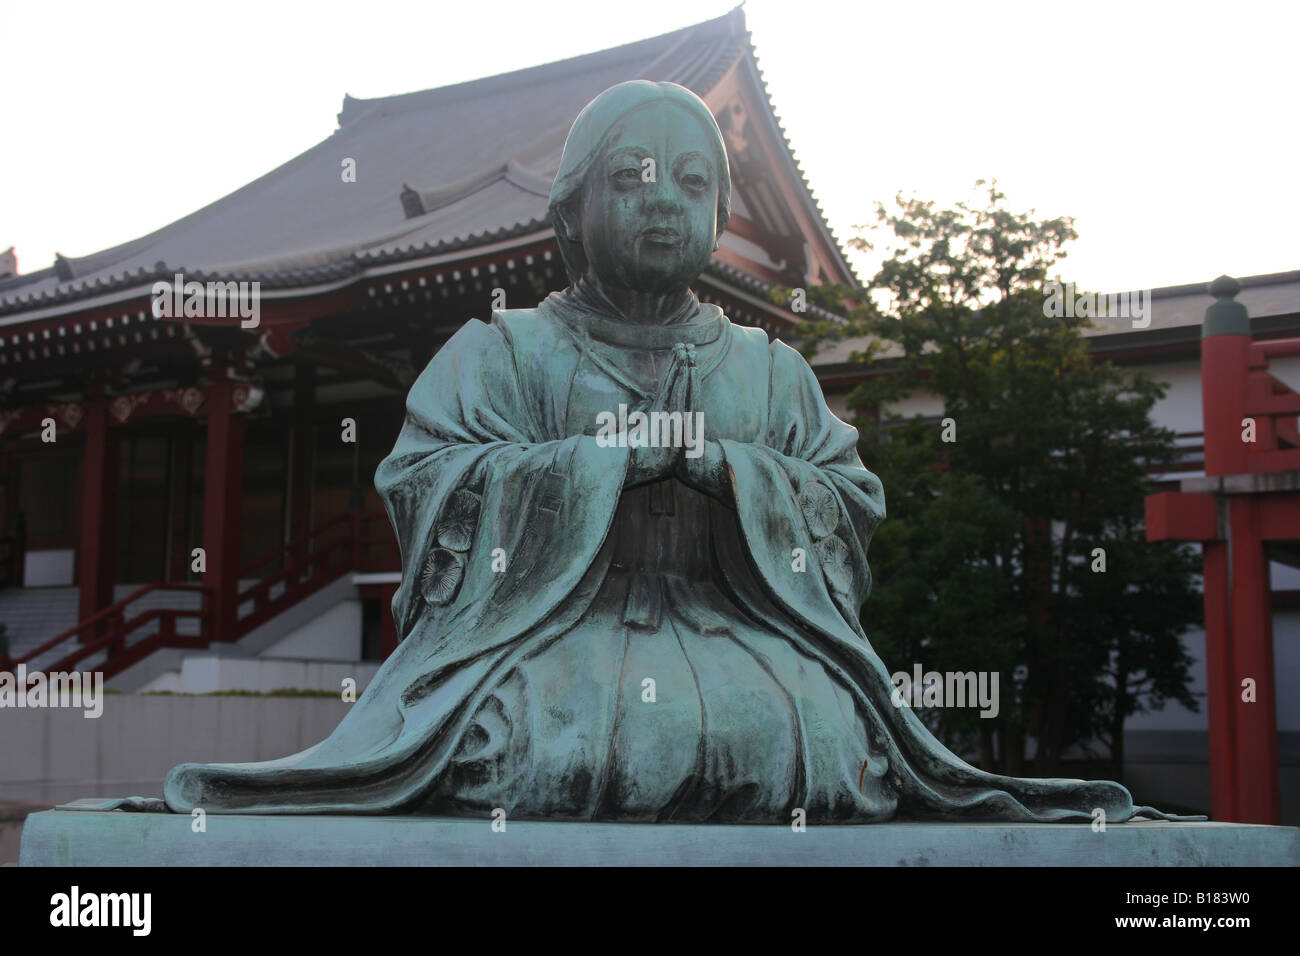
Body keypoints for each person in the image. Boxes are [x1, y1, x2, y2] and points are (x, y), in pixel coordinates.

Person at [164, 81, 1188, 823]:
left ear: (715, 214)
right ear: (571, 216)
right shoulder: (498, 350)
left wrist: (727, 469)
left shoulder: (772, 370)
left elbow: (848, 498)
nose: (664, 198)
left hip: (749, 645)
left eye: (692, 182)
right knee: (508, 741)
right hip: (539, 651)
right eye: (633, 176)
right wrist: (597, 461)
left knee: (828, 736)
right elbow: (430, 484)